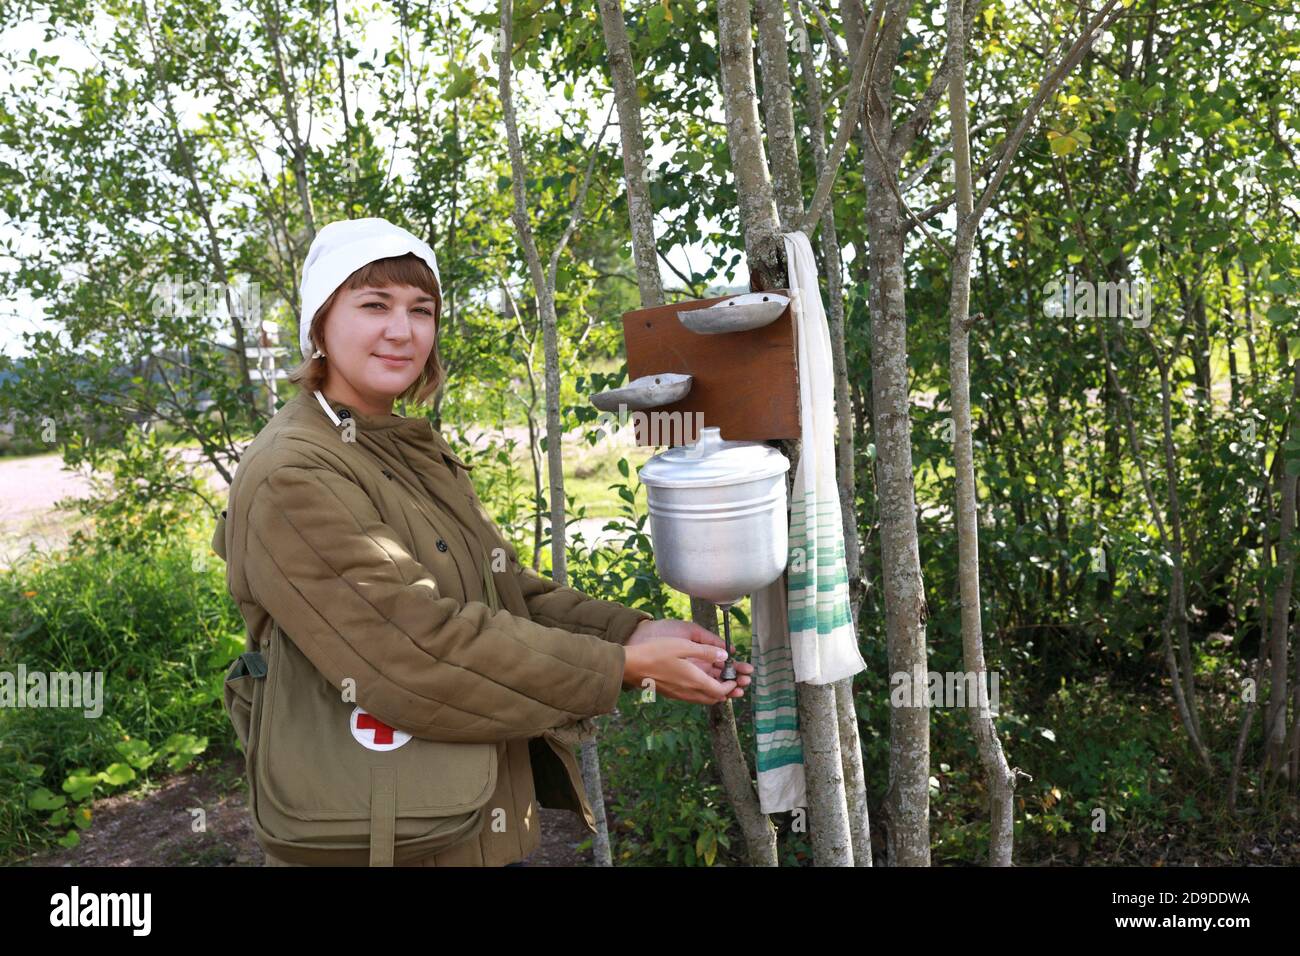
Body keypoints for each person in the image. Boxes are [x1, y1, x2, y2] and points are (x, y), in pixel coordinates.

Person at [215, 217, 752, 866]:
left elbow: (503, 589)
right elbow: (415, 649)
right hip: (373, 842)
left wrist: (629, 634)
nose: (401, 329)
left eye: (422, 309)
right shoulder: (293, 471)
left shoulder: (406, 445)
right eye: (374, 304)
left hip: (458, 825)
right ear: (320, 324)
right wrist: (622, 669)